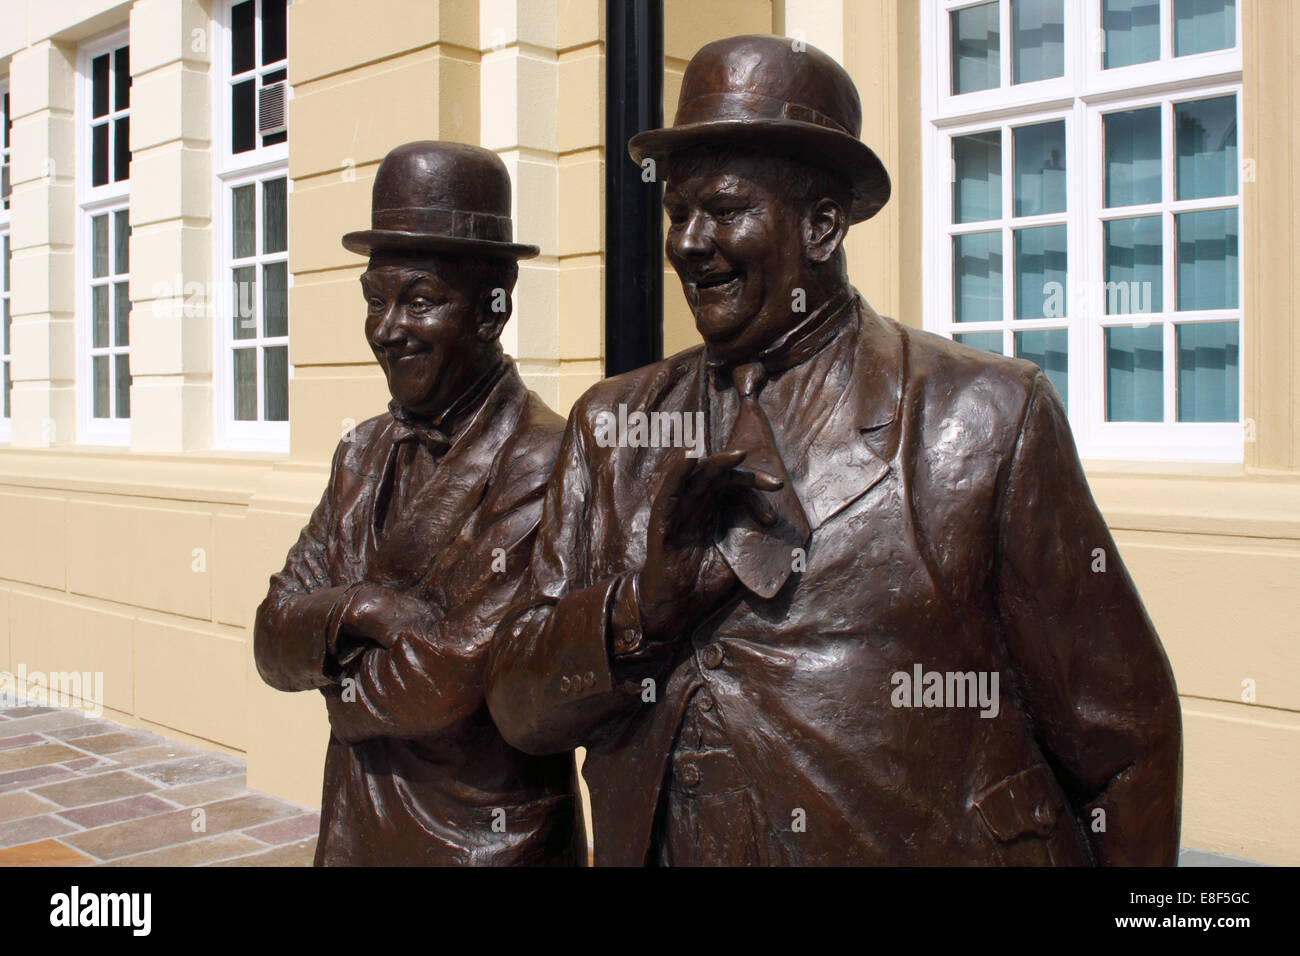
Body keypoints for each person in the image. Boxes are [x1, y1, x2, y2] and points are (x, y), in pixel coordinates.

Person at [486, 36, 1181, 866]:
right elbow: (521, 704)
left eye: (726, 208)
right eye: (677, 213)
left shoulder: (982, 414)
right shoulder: (612, 427)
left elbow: (1123, 735)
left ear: (821, 224)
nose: (687, 242)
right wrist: (641, 610)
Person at [255, 141, 583, 866]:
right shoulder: (360, 452)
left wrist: (337, 686)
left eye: (421, 300)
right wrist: (362, 611)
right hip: (357, 825)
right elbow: (272, 637)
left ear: (492, 310)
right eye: (376, 299)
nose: (387, 328)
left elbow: (442, 681)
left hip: (489, 840)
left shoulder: (545, 458)